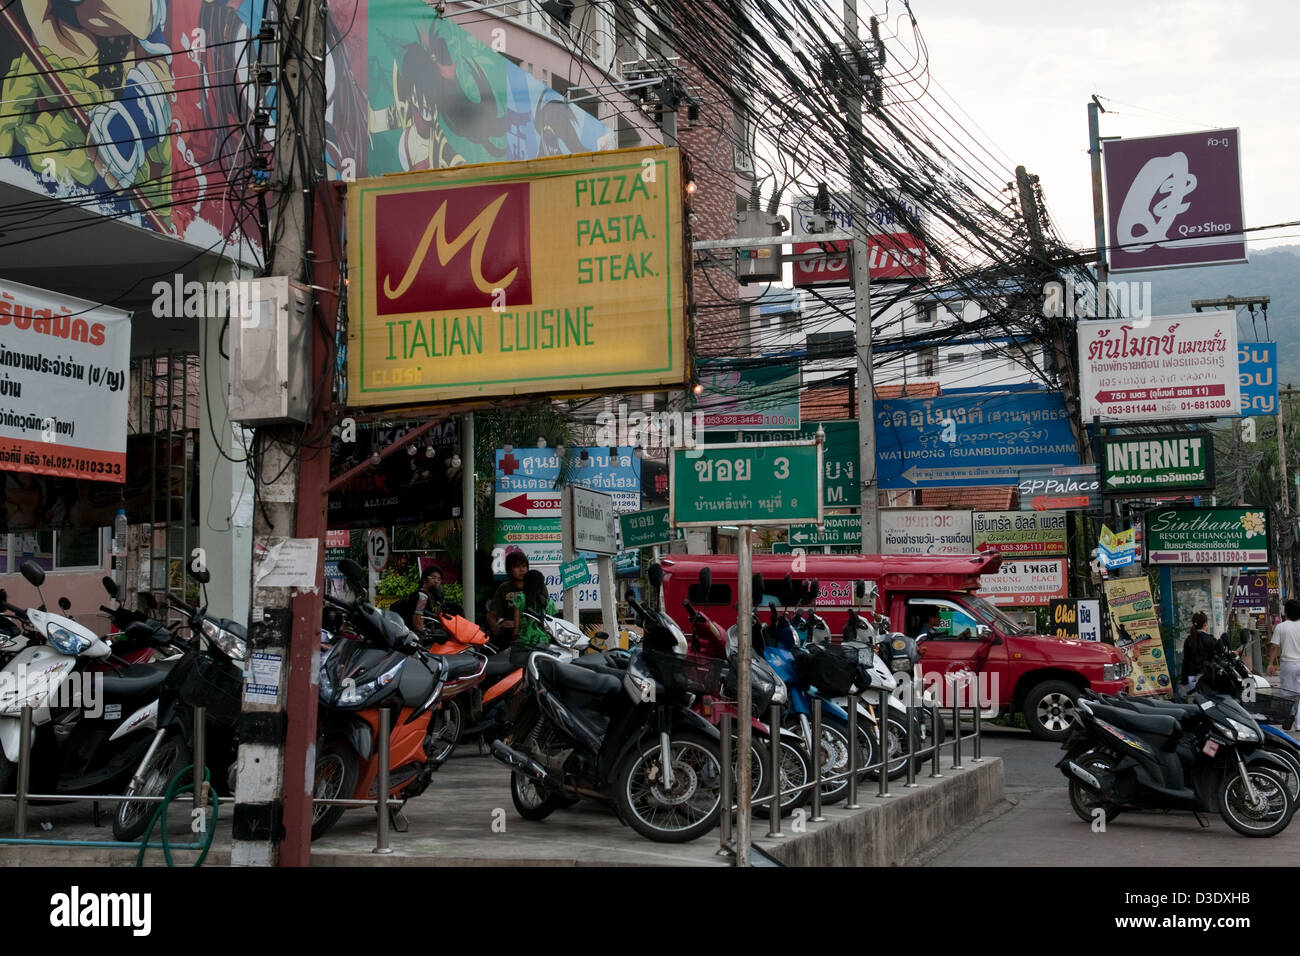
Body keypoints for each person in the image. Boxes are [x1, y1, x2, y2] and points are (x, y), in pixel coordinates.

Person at [508, 569, 555, 668]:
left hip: (524, 643)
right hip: (543, 644)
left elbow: (516, 628)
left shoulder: (520, 599)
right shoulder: (549, 602)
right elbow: (551, 626)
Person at [487, 551, 530, 645]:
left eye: (524, 566)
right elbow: (491, 615)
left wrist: (517, 624)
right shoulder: (504, 588)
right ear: (510, 569)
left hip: (531, 633)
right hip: (508, 635)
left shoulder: (535, 586)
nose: (522, 570)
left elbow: (544, 616)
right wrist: (497, 628)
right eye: (517, 566)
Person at [1268, 599, 1300, 715]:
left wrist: (1270, 664)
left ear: (1286, 612)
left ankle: (1291, 716)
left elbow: (1274, 647)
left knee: (1288, 693)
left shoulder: (1281, 627)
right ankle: (1298, 723)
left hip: (1288, 664)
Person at [1180, 611, 1226, 691]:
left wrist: (1183, 682)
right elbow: (1218, 656)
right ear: (1205, 624)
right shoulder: (1210, 640)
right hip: (1207, 677)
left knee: (1195, 701)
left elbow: (1186, 662)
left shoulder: (1188, 640)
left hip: (1192, 677)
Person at [392, 565, 444, 633]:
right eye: (433, 578)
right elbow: (417, 624)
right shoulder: (422, 598)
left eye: (439, 579)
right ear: (424, 580)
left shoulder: (430, 598)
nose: (436, 581)